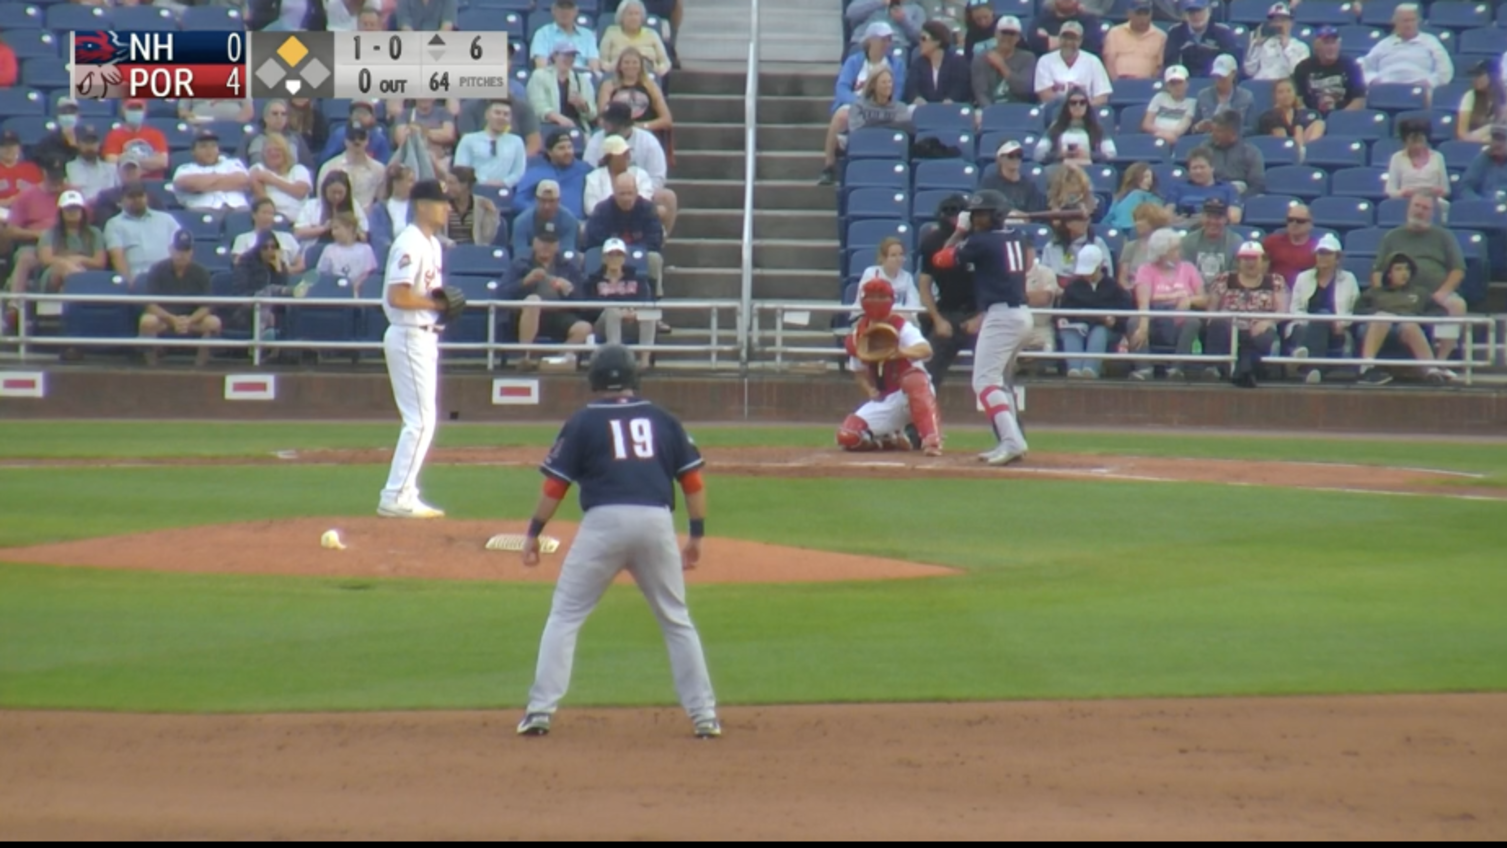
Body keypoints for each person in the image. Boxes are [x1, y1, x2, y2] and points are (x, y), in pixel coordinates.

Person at [515, 344, 720, 740]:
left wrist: (535, 531)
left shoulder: (582, 422)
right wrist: (696, 534)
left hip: (603, 524)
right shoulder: (662, 419)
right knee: (677, 621)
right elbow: (692, 482)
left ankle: (540, 712)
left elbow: (555, 486)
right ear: (634, 378)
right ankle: (704, 716)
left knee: (566, 616)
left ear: (594, 380)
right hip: (656, 522)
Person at [928, 190, 1033, 466]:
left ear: (996, 215)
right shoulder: (1015, 237)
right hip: (1018, 314)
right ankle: (1011, 440)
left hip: (1002, 316)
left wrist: (960, 231)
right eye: (974, 214)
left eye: (982, 214)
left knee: (984, 382)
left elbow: (940, 260)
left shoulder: (982, 242)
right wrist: (970, 230)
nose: (976, 218)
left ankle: (1012, 441)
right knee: (998, 382)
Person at [376, 179, 452, 519]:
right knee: (420, 421)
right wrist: (435, 304)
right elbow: (398, 296)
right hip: (409, 334)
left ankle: (404, 491)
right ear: (422, 205)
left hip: (424, 336)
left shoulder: (432, 244)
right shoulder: (410, 243)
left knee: (422, 420)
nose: (447, 208)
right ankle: (396, 495)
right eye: (441, 202)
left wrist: (437, 305)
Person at [838, 278, 944, 455]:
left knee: (914, 379)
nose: (876, 302)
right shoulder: (857, 336)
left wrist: (899, 352)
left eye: (881, 297)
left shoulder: (901, 326)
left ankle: (931, 438)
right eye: (871, 297)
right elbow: (858, 372)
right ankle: (887, 439)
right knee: (848, 436)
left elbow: (926, 350)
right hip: (884, 399)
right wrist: (869, 389)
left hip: (910, 393)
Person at [1371, 193, 1466, 367]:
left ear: (1432, 213)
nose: (1420, 211)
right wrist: (1383, 296)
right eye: (1417, 206)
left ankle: (1441, 362)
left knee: (1457, 305)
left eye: (1425, 208)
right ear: (1409, 207)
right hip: (1400, 294)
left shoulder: (1444, 236)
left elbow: (1458, 270)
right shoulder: (1392, 236)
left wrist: (1442, 293)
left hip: (1435, 295)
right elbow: (1378, 271)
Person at [1354, 252, 1452, 385]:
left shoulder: (1420, 293)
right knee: (1382, 318)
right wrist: (1381, 314)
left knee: (1409, 324)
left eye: (1407, 269)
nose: (1404, 273)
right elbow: (1358, 312)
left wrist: (1418, 318)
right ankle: (1366, 369)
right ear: (1389, 273)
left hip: (1407, 329)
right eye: (1398, 269)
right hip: (1377, 328)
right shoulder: (1374, 293)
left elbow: (1440, 312)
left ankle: (1431, 371)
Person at [1204, 241, 1288, 388]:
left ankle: (1241, 371)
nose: (1250, 263)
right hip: (1230, 326)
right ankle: (1241, 370)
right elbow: (1212, 310)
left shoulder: (1275, 281)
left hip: (1260, 326)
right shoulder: (1224, 279)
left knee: (1264, 336)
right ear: (1238, 261)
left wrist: (1268, 322)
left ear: (1262, 261)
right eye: (1246, 259)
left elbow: (1282, 310)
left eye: (1254, 258)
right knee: (1219, 326)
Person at [916, 194, 978, 387]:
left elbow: (996, 284)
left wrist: (981, 317)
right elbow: (925, 284)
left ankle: (1007, 416)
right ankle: (918, 415)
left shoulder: (981, 241)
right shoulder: (932, 243)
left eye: (957, 213)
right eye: (949, 213)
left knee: (994, 375)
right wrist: (937, 319)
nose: (953, 218)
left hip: (980, 312)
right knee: (926, 373)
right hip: (948, 312)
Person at [1130, 227, 1207, 380]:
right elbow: (1143, 301)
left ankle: (1177, 369)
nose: (1179, 252)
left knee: (1193, 321)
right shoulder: (1145, 270)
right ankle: (1144, 369)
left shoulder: (1188, 268)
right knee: (1135, 322)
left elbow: (1204, 299)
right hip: (1154, 314)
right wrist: (1143, 326)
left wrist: (1188, 300)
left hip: (1179, 315)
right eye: (1174, 249)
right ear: (1162, 252)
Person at [510, 229, 592, 369]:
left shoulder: (568, 267)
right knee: (533, 301)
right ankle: (525, 357)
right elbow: (503, 293)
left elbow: (582, 301)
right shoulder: (521, 264)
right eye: (542, 242)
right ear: (535, 243)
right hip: (525, 315)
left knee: (584, 327)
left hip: (557, 314)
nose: (545, 246)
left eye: (550, 243)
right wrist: (525, 281)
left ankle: (557, 361)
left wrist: (569, 290)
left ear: (557, 246)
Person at [138, 230, 221, 367]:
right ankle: (152, 367)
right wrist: (172, 319)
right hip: (164, 319)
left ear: (191, 252)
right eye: (178, 250)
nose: (181, 255)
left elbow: (207, 306)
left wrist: (189, 320)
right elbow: (150, 304)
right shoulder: (157, 269)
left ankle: (199, 367)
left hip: (192, 320)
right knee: (147, 321)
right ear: (171, 250)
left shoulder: (201, 272)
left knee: (213, 322)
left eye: (186, 250)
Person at [1286, 233, 1360, 384]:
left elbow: (1353, 309)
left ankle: (1301, 360)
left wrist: (1341, 323)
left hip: (1335, 328)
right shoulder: (1303, 277)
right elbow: (1296, 308)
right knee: (1320, 317)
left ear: (1337, 258)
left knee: (1324, 315)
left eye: (1327, 254)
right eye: (1320, 253)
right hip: (1304, 325)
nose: (1322, 257)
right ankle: (1314, 370)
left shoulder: (1349, 279)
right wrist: (1310, 321)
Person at [819, 68, 913, 185]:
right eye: (883, 82)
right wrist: (887, 126)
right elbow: (857, 131)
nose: (888, 85)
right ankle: (831, 168)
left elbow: (905, 127)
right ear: (873, 85)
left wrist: (872, 124)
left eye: (890, 82)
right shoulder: (859, 107)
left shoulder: (900, 108)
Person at [1058, 244, 1133, 378]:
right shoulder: (1073, 288)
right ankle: (1074, 369)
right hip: (1078, 325)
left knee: (1099, 331)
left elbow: (1125, 311)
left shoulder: (1114, 287)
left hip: (1105, 328)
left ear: (1099, 267)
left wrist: (1114, 321)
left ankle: (1090, 369)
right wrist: (1063, 319)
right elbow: (1064, 310)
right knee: (1069, 332)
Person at [585, 172, 665, 295]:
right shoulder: (602, 210)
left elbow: (654, 239)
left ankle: (654, 298)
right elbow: (594, 239)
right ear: (614, 193)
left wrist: (629, 253)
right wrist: (616, 253)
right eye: (622, 194)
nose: (626, 198)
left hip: (640, 254)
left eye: (630, 193)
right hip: (610, 255)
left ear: (637, 192)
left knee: (654, 258)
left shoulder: (648, 209)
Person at [584, 237, 657, 368]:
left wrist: (632, 312)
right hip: (603, 322)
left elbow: (645, 300)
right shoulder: (593, 281)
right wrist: (619, 311)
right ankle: (616, 359)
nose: (614, 258)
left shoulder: (637, 278)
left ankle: (645, 360)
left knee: (650, 314)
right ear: (604, 258)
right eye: (610, 255)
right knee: (612, 310)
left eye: (618, 255)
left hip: (632, 319)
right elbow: (589, 308)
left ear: (624, 258)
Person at [597, 48, 675, 164]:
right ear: (620, 66)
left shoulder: (650, 86)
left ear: (641, 66)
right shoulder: (609, 86)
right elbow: (602, 118)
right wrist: (619, 129)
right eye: (626, 62)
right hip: (615, 132)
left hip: (645, 133)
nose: (630, 66)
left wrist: (640, 126)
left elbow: (667, 120)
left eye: (634, 63)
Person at [1361, 3, 1453, 91]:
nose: (1408, 25)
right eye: (1404, 21)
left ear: (1419, 21)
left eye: (1412, 20)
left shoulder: (1430, 41)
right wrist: (1373, 80)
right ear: (1395, 22)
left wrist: (1430, 82)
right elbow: (1365, 67)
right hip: (1386, 88)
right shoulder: (1384, 44)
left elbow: (1445, 70)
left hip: (1420, 89)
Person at [30, 190, 106, 298]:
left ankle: (79, 288)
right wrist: (67, 262)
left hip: (88, 272)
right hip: (53, 276)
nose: (72, 212)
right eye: (68, 209)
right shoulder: (49, 233)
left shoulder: (94, 233)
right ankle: (83, 288)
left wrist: (80, 259)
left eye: (76, 208)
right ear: (61, 212)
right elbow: (46, 259)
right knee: (62, 266)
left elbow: (100, 262)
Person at [104, 183, 181, 281]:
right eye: (131, 196)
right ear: (121, 200)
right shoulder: (114, 224)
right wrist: (128, 282)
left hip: (167, 276)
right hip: (136, 277)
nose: (137, 200)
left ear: (146, 198)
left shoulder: (166, 219)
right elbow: (117, 256)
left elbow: (179, 249)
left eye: (140, 195)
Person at [1033, 21, 1113, 106]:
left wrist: (1082, 108)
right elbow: (1045, 95)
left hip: (1086, 111)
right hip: (1055, 110)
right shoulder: (1045, 60)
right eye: (1065, 38)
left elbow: (1102, 96)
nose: (1068, 42)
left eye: (1073, 38)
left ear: (1080, 41)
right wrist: (1070, 108)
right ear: (1059, 39)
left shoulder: (1093, 61)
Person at [516, 130, 591, 220]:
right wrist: (542, 212)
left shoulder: (586, 169)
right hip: (545, 223)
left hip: (579, 223)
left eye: (569, 147)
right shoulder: (536, 172)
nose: (567, 152)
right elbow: (518, 201)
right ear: (549, 152)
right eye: (561, 148)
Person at [453, 100, 528, 190]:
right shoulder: (469, 139)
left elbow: (518, 171)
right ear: (487, 115)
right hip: (474, 188)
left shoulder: (516, 141)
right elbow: (461, 167)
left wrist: (504, 182)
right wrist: (482, 182)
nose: (501, 117)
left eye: (506, 114)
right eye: (497, 113)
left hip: (504, 190)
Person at [171, 130, 252, 213]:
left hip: (239, 209)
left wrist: (206, 182)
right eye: (203, 146)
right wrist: (228, 180)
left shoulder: (232, 163)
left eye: (213, 146)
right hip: (204, 212)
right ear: (193, 151)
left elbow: (243, 181)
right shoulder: (185, 169)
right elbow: (193, 185)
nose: (209, 150)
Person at [1293, 27, 1367, 116]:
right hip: (1312, 118)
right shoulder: (1303, 67)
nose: (1331, 47)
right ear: (1316, 46)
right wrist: (1310, 117)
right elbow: (1298, 100)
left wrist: (1339, 117)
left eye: (1334, 43)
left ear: (1339, 45)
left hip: (1344, 117)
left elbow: (1359, 100)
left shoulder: (1351, 66)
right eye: (1326, 43)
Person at [1033, 87, 1117, 165]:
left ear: (1087, 105)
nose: (1078, 106)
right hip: (1060, 169)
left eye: (1082, 102)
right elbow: (1038, 155)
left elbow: (1111, 154)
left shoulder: (1097, 128)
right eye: (1073, 103)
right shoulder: (1055, 128)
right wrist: (1059, 155)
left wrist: (1089, 155)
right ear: (1067, 106)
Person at [529, 43, 598, 133]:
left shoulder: (581, 79)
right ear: (555, 56)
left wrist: (583, 105)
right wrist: (559, 118)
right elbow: (537, 106)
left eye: (573, 56)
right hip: (550, 126)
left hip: (577, 126)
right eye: (566, 55)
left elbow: (592, 114)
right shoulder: (540, 76)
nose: (570, 59)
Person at [970, 16, 1038, 107]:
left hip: (1019, 109)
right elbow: (980, 93)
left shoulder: (1028, 58)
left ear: (1018, 37)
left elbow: (1025, 89)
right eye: (1004, 32)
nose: (1007, 37)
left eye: (1012, 33)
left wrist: (1002, 66)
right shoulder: (981, 58)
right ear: (996, 34)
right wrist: (991, 113)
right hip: (991, 110)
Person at [1196, 110, 1266, 198]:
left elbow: (1257, 185)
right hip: (1209, 193)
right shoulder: (1205, 148)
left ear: (1233, 133)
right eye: (1212, 131)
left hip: (1239, 195)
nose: (1212, 135)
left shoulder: (1250, 152)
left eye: (1218, 131)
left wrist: (1236, 201)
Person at [1162, 150, 1243, 225]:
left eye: (1202, 167)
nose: (1198, 171)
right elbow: (1166, 215)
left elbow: (1235, 218)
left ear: (1212, 168)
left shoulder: (1228, 188)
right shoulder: (1178, 188)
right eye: (1194, 168)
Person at [295, 170, 370, 250]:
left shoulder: (354, 205)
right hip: (319, 247)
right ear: (325, 190)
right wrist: (323, 228)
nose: (337, 196)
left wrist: (351, 230)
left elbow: (364, 234)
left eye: (340, 193)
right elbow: (299, 232)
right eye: (333, 192)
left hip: (348, 249)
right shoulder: (311, 205)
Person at [1164, 0, 1239, 78]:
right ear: (1185, 15)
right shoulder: (1175, 32)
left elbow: (1232, 62)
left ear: (1209, 11)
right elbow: (1170, 62)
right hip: (1183, 80)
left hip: (1214, 80)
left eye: (1199, 11)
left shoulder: (1223, 32)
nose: (1196, 16)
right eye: (1191, 12)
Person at [316, 124, 384, 210]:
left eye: (361, 137)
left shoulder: (378, 169)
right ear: (345, 141)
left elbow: (381, 201)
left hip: (368, 219)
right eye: (352, 138)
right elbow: (320, 200)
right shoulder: (329, 167)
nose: (357, 141)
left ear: (367, 141)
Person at [584, 135, 653, 219]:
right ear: (610, 157)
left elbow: (645, 202)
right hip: (606, 223)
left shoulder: (641, 174)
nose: (628, 157)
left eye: (628, 152)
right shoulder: (593, 178)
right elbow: (591, 208)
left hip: (637, 221)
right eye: (624, 154)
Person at [598, 0, 673, 77]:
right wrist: (611, 68)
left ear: (642, 17)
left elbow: (665, 62)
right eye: (630, 14)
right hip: (618, 75)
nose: (634, 18)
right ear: (621, 17)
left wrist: (659, 71)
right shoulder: (611, 32)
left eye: (637, 14)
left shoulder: (652, 34)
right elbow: (603, 61)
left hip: (648, 75)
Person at [1386, 118, 1450, 207]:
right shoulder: (1397, 158)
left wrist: (1437, 191)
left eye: (1420, 140)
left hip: (1433, 202)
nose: (1417, 145)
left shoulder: (1438, 157)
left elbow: (1446, 190)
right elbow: (1390, 190)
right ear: (1405, 140)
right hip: (1405, 202)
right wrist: (1403, 193)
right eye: (1413, 140)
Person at [249, 133, 312, 223]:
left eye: (277, 150)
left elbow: (300, 192)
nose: (273, 153)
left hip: (299, 221)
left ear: (285, 152)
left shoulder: (298, 169)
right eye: (269, 151)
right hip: (272, 219)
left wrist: (272, 180)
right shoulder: (258, 168)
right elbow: (263, 202)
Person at [905, 21, 971, 105]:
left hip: (952, 109)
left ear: (937, 41)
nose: (920, 42)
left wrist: (951, 99)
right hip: (925, 110)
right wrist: (917, 98)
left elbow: (961, 87)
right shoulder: (917, 64)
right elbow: (912, 88)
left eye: (923, 38)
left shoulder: (958, 62)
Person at [230, 197, 304, 272]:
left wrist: (285, 271)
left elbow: (301, 265)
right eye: (264, 213)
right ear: (254, 215)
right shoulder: (242, 239)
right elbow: (237, 263)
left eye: (271, 213)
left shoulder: (287, 237)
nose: (268, 217)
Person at [101, 99, 169, 179]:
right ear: (123, 110)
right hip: (124, 183)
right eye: (131, 109)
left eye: (138, 109)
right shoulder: (114, 135)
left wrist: (130, 162)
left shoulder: (156, 134)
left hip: (152, 182)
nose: (135, 112)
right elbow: (111, 162)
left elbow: (162, 162)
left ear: (144, 111)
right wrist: (150, 162)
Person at [978, 140, 1048, 217]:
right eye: (1011, 156)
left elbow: (1034, 215)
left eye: (1019, 155)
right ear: (1000, 159)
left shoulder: (1029, 186)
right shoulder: (989, 183)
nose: (1015, 159)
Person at [512, 179, 581, 258]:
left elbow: (567, 252)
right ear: (536, 199)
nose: (546, 206)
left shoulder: (569, 220)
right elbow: (520, 254)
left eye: (551, 201)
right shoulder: (521, 222)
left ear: (558, 201)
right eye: (543, 201)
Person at [240, 99, 317, 170]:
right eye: (275, 113)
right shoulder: (252, 137)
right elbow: (238, 164)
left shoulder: (295, 138)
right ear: (265, 117)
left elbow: (308, 167)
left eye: (283, 114)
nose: (279, 117)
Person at [1182, 196, 1243, 282]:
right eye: (1209, 216)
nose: (1213, 221)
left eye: (1218, 218)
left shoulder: (1236, 242)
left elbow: (1235, 276)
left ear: (1226, 219)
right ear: (1202, 217)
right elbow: (1184, 275)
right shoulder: (1188, 241)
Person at [529, 0, 601, 72]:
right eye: (561, 7)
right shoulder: (542, 33)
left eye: (569, 8)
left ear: (576, 11)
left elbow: (594, 67)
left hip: (581, 78)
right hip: (552, 78)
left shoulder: (588, 35)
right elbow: (541, 68)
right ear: (553, 10)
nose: (565, 12)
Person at [1244, 2, 1308, 81]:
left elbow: (1298, 73)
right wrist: (1257, 46)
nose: (1279, 24)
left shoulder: (1301, 47)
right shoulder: (1263, 44)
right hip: (1260, 84)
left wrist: (1286, 47)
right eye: (1275, 21)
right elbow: (1249, 71)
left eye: (1283, 20)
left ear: (1291, 23)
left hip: (1284, 87)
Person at [1103, 0, 1166, 81]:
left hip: (1146, 83)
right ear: (1129, 14)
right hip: (1119, 81)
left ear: (1151, 14)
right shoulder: (1115, 33)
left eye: (1146, 14)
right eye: (1138, 14)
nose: (1143, 19)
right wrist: (1117, 83)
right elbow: (1109, 62)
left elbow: (1159, 67)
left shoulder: (1160, 36)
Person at [388, 99, 457, 172]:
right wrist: (434, 137)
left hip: (440, 159)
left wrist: (421, 131)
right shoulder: (405, 114)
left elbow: (448, 135)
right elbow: (401, 139)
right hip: (413, 158)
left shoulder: (444, 113)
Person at [856, 237, 922, 312]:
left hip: (899, 317)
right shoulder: (871, 273)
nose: (898, 259)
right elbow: (864, 301)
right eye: (893, 255)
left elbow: (914, 304)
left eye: (901, 254)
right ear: (883, 258)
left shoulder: (907, 277)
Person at [318, 101, 392, 168]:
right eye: (356, 112)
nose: (359, 116)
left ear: (372, 118)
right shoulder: (340, 134)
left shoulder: (379, 139)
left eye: (364, 113)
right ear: (350, 116)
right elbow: (325, 161)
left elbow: (384, 165)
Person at [316, 212, 379, 291]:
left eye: (336, 228)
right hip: (334, 290)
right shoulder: (329, 250)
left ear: (350, 228)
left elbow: (369, 273)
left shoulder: (366, 249)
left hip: (360, 290)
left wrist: (357, 284)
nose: (333, 233)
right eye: (332, 229)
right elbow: (322, 273)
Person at [1258, 78, 1326, 150]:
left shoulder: (1300, 113)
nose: (1286, 95)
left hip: (1302, 146)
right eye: (1280, 92)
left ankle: (1308, 152)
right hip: (1279, 149)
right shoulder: (1269, 116)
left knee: (1320, 123)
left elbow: (1300, 132)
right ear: (1274, 95)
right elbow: (1282, 139)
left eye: (1289, 91)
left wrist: (1299, 129)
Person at [1118, 201, 1174, 288]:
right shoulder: (1130, 247)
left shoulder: (1167, 247)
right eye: (1136, 220)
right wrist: (1129, 289)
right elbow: (1122, 278)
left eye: (1142, 220)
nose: (1137, 223)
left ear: (1154, 222)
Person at [443, 166, 502, 247]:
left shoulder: (482, 204)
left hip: (474, 252)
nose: (447, 187)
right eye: (446, 183)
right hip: (448, 252)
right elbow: (437, 234)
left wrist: (491, 214)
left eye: (451, 183)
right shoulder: (442, 204)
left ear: (465, 185)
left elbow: (487, 238)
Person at [1193, 54, 1255, 132]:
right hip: (1208, 140)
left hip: (1236, 140)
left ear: (1234, 73)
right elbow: (1194, 127)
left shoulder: (1246, 96)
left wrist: (1229, 131)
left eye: (1223, 76)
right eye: (1217, 76)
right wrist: (1198, 127)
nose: (1219, 79)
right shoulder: (1203, 95)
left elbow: (1251, 129)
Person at [1261, 201, 1316, 286]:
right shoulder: (1272, 242)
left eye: (1300, 221)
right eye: (1290, 220)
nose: (1294, 224)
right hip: (1275, 289)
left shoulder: (1317, 248)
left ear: (1310, 224)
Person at [368, 163, 414, 262]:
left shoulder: (417, 208)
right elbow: (378, 236)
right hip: (388, 260)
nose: (413, 185)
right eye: (410, 181)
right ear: (396, 183)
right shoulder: (379, 209)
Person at [1141, 64, 1196, 144]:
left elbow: (1181, 129)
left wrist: (1170, 135)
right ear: (1167, 86)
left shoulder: (1192, 103)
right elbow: (1146, 124)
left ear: (1187, 83)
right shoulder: (1159, 97)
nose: (1177, 86)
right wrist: (1163, 134)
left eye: (1180, 82)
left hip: (1177, 141)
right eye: (1172, 83)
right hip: (1155, 138)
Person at [1031, 0, 1105, 57]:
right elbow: (1034, 43)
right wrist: (1074, 42)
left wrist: (1052, 41)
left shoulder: (1089, 20)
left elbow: (1092, 46)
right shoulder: (1042, 19)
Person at [64, 125, 117, 206]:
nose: (90, 147)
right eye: (86, 142)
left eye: (93, 142)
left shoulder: (111, 169)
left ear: (99, 144)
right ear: (78, 144)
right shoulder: (68, 168)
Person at [845, 0, 924, 52]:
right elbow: (850, 14)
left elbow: (920, 37)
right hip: (863, 41)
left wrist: (904, 20)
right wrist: (881, 2)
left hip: (896, 44)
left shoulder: (916, 8)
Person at [1457, 60, 1506, 143]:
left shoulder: (1504, 95)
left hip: (1502, 144)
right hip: (1475, 142)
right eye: (1473, 76)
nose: (1475, 79)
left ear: (1492, 76)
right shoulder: (1470, 96)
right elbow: (1462, 134)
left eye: (1479, 75)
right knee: (1491, 128)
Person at [1106, 163, 1160, 231]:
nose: (1150, 180)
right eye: (1146, 177)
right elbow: (1108, 219)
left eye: (1151, 177)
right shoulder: (1119, 198)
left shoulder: (1155, 199)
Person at [1459, 125, 1507, 201]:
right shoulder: (1482, 159)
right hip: (1483, 207)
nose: (1496, 144)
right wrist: (1480, 203)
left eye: (1502, 140)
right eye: (1495, 139)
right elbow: (1465, 188)